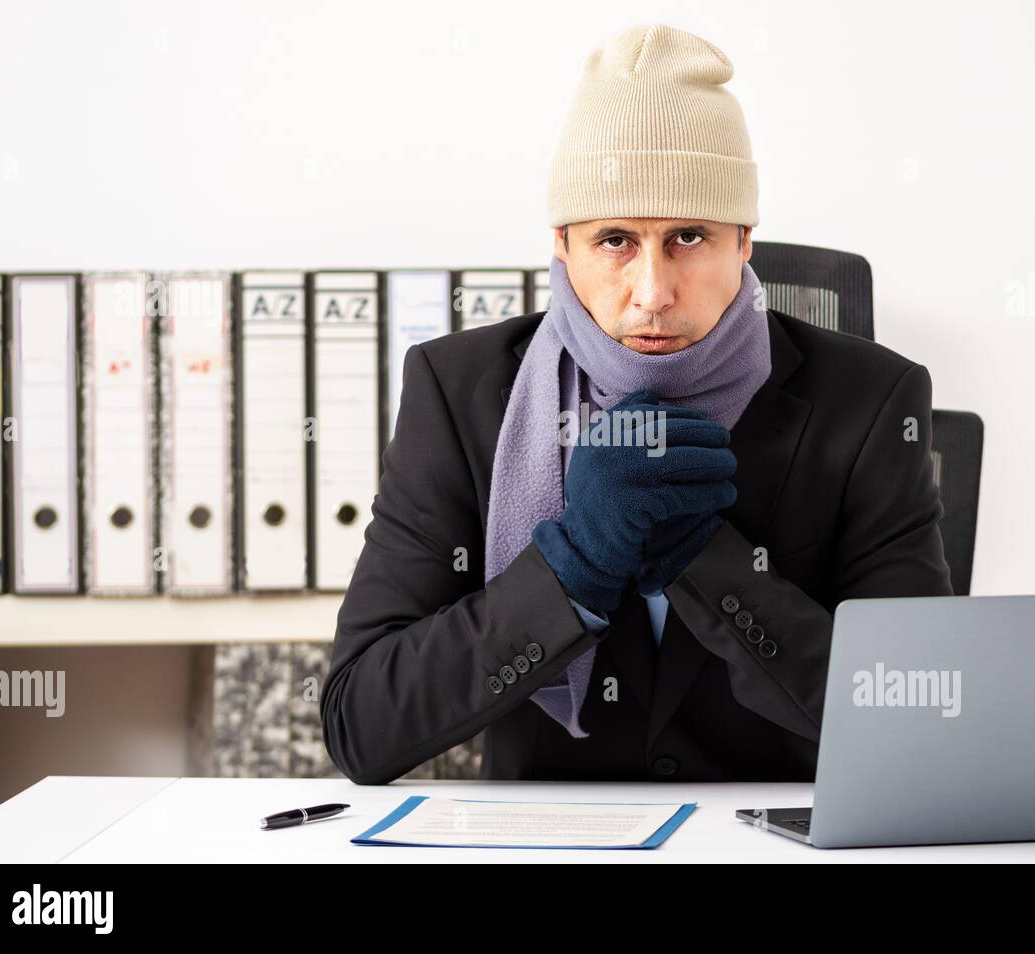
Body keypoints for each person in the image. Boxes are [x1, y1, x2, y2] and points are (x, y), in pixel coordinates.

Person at [321, 23, 953, 784]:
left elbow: (917, 724)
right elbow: (361, 725)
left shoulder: (873, 402)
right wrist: (576, 560)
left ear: (744, 239)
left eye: (689, 236)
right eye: (615, 239)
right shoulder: (458, 394)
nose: (652, 293)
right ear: (562, 242)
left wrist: (708, 564)